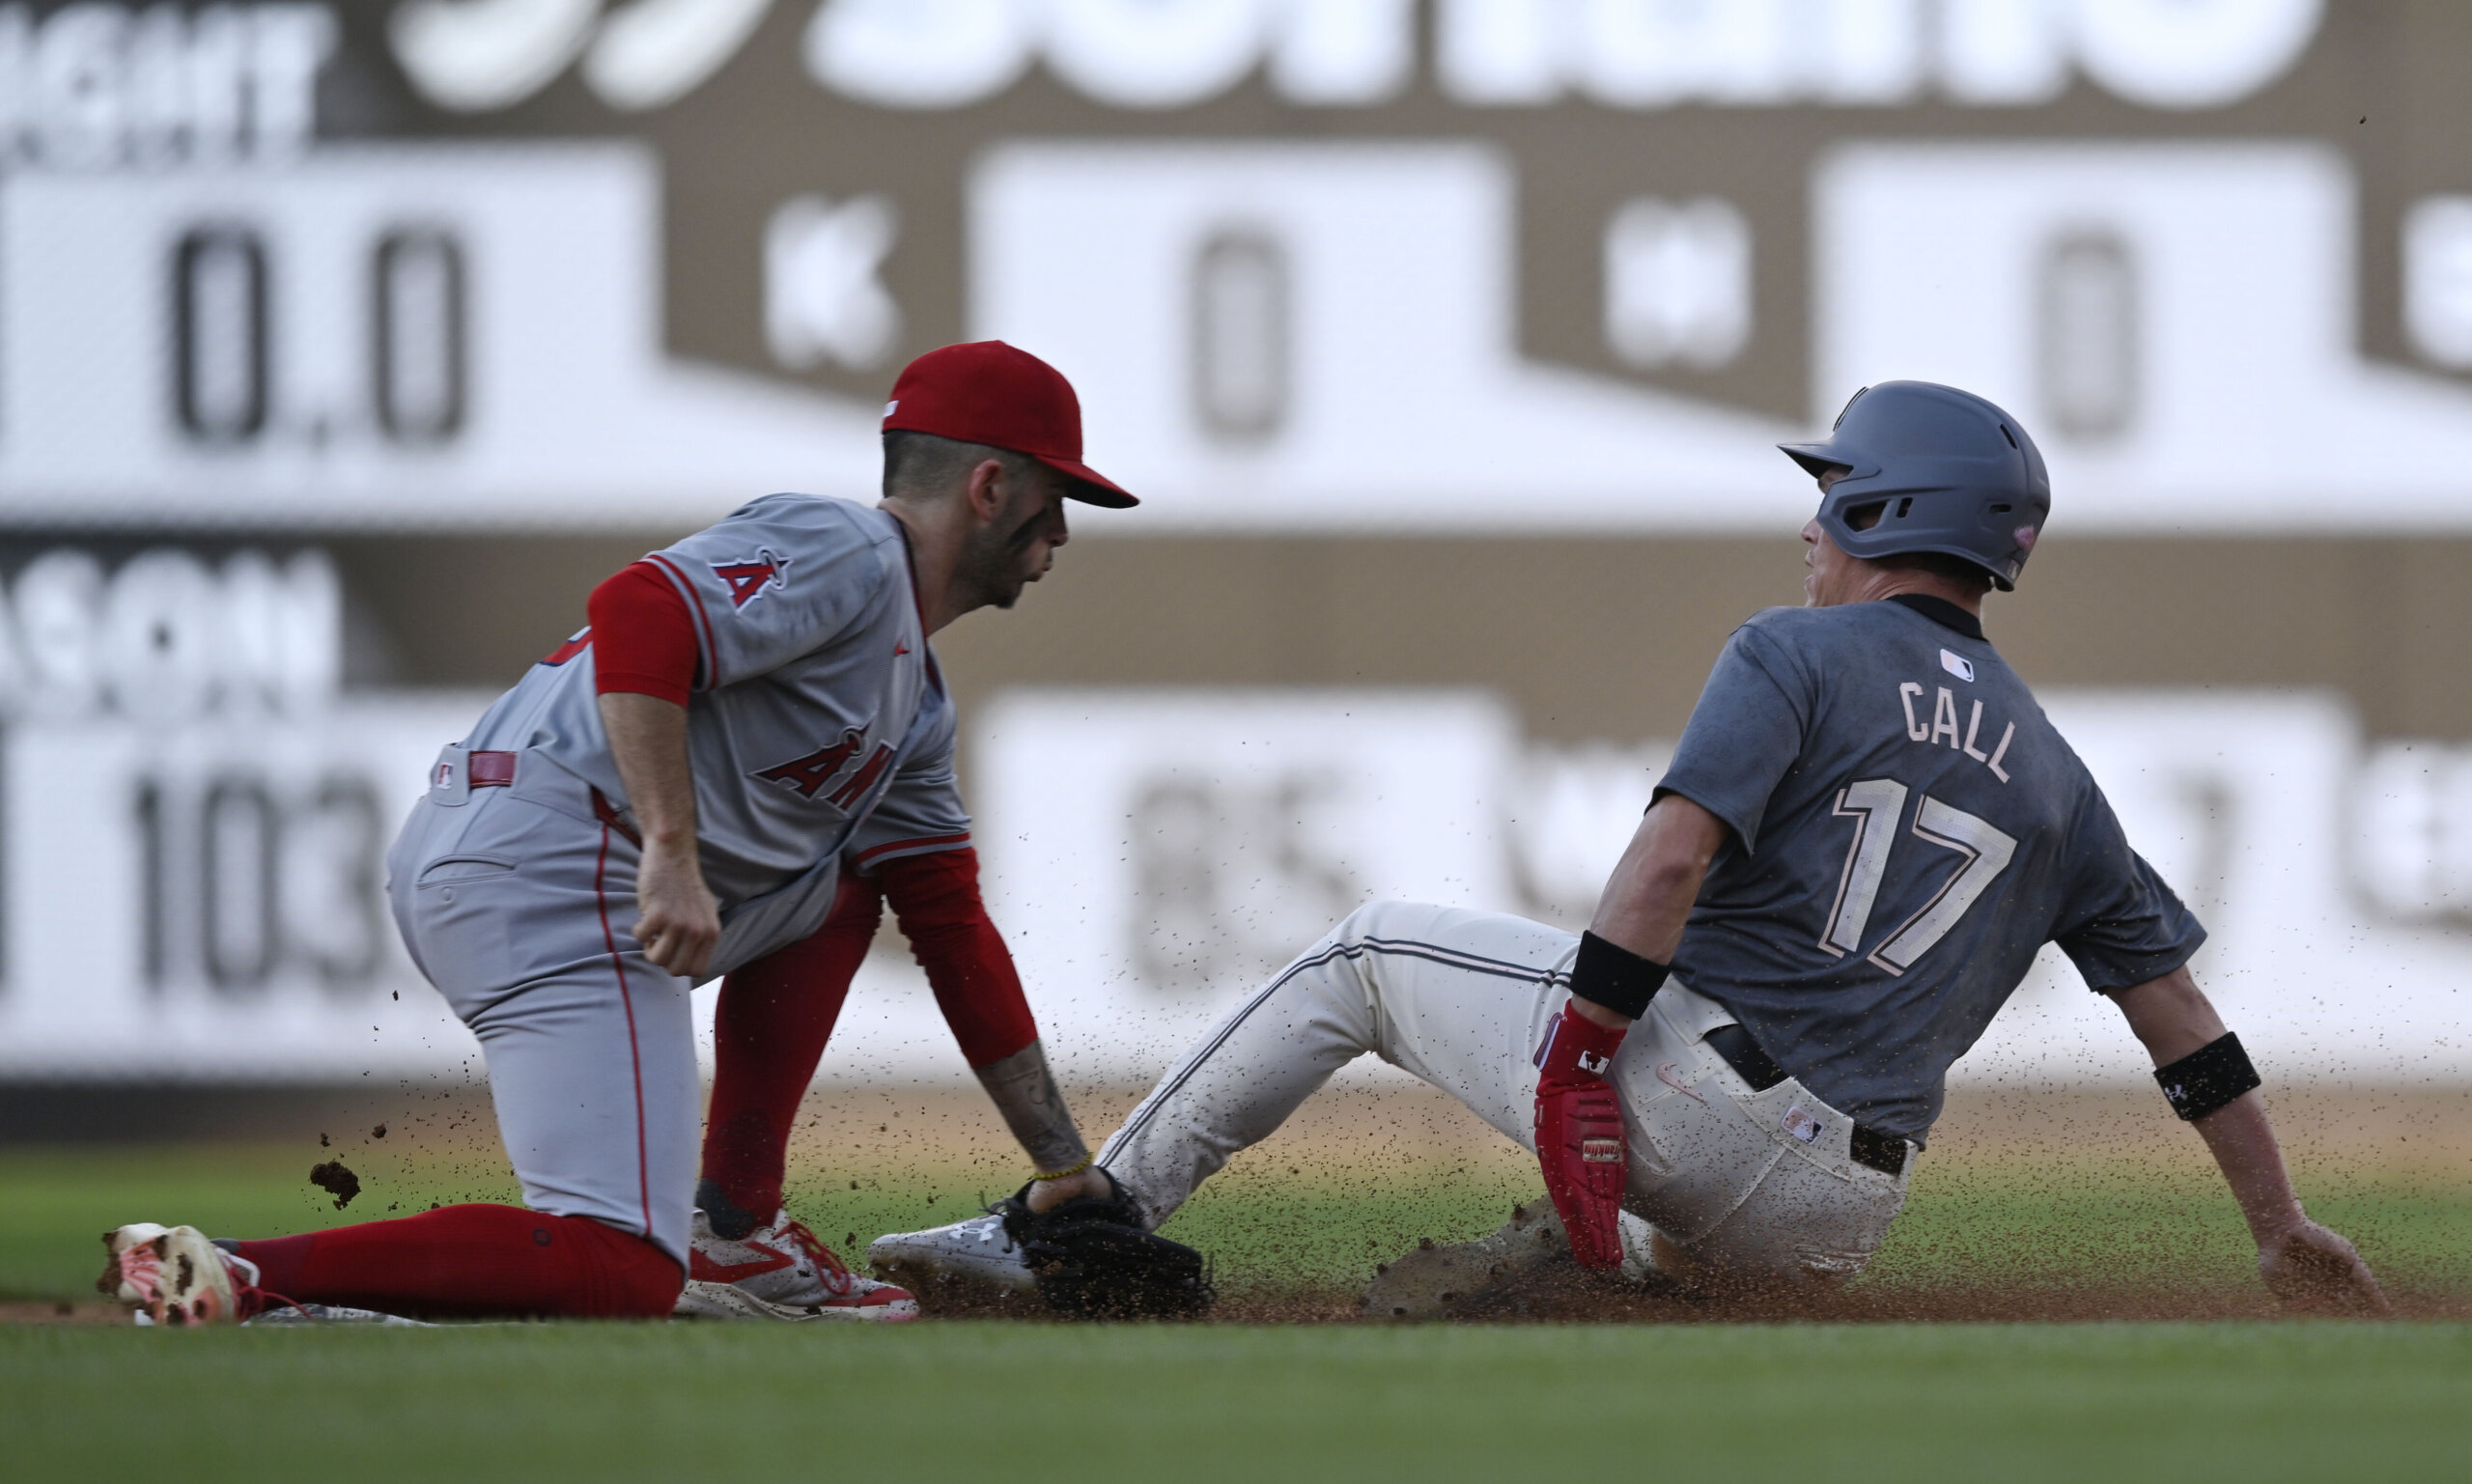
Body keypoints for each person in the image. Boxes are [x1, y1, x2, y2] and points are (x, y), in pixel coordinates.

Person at [869, 381, 2390, 1320]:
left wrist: (1582, 1058)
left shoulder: (1800, 649)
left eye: (1831, 490)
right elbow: (2184, 1024)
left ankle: (1070, 1226)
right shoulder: (2058, 774)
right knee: (1662, 1252)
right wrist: (2278, 1226)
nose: (1812, 522)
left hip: (1695, 1100)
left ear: (1888, 505)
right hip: (1840, 1210)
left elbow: (1666, 865)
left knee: (1368, 951)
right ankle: (1578, 1285)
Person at [101, 341, 1138, 1326]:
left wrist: (1063, 1168)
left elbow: (949, 926)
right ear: (988, 488)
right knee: (622, 1265)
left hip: (531, 849)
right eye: (1054, 499)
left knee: (845, 887)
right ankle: (239, 1272)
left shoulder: (916, 706)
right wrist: (671, 851)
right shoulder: (853, 551)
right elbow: (640, 608)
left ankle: (736, 1226)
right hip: (554, 858)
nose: (1059, 533)